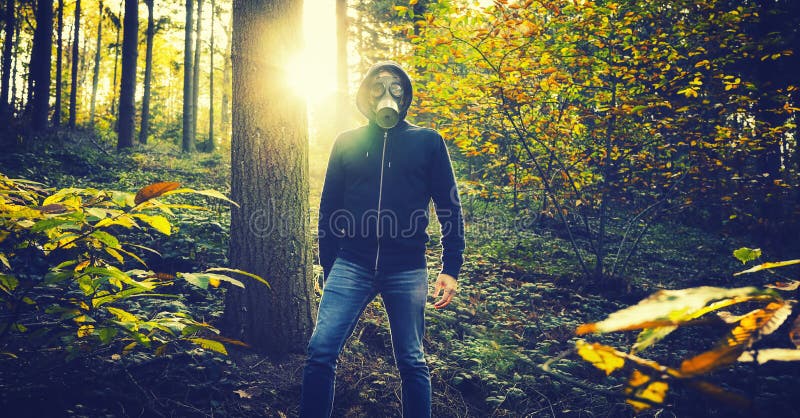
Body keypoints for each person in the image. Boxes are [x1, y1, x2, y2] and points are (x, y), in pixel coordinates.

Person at [299, 61, 466, 418]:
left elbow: (449, 206)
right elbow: (330, 210)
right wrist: (330, 268)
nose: (386, 94)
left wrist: (450, 267)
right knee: (321, 351)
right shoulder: (347, 141)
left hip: (406, 268)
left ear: (405, 96)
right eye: (378, 86)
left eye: (395, 87)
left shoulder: (428, 141)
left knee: (412, 361)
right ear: (366, 94)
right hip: (351, 263)